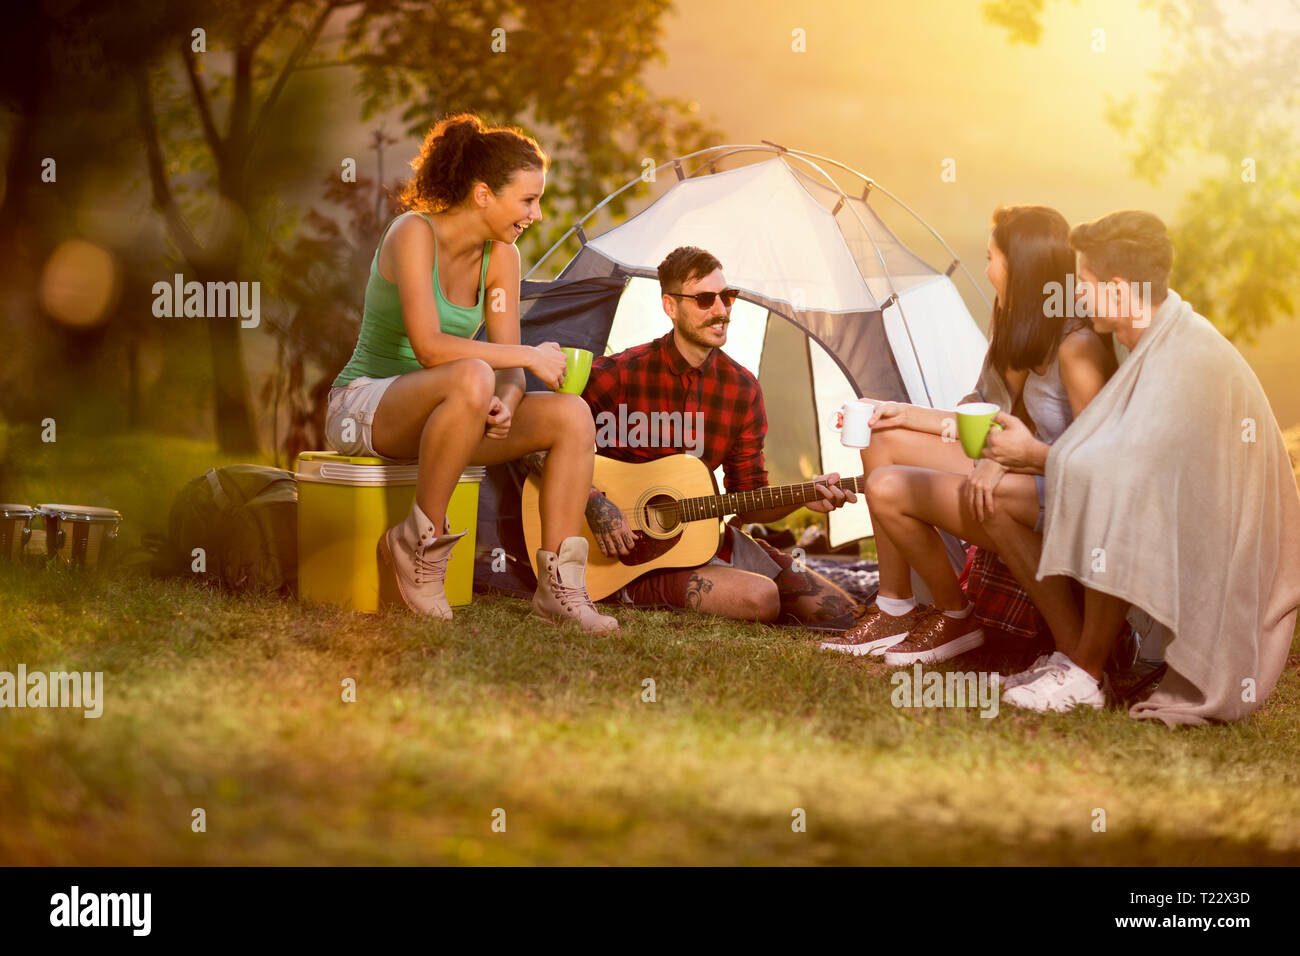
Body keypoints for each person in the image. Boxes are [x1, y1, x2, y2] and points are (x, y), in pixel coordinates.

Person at [984, 211, 1300, 720]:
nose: (1078, 297)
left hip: (1231, 550)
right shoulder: (1153, 337)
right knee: (1044, 494)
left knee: (1116, 494)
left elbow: (1130, 471)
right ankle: (1075, 657)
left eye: (1084, 283)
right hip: (1193, 511)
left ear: (1115, 288)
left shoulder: (1185, 355)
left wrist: (1032, 456)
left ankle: (1086, 674)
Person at [325, 113, 617, 632]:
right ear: (483, 194)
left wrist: (509, 399)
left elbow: (506, 367)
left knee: (571, 413)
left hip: (449, 415)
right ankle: (416, 545)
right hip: (366, 406)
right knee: (471, 374)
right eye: (527, 200)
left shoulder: (501, 256)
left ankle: (561, 589)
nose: (536, 212)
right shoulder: (413, 233)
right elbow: (431, 348)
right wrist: (523, 360)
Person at [819, 205, 1118, 665]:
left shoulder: (1076, 346)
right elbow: (984, 418)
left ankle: (960, 618)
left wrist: (1003, 460)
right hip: (1020, 471)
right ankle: (900, 606)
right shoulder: (1020, 322)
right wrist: (897, 412)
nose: (987, 268)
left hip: (1060, 491)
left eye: (991, 257)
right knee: (883, 436)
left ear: (1021, 266)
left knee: (890, 484)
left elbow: (1099, 457)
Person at [527, 245, 862, 625]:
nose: (721, 310)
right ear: (671, 306)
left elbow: (747, 499)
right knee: (761, 598)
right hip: (615, 554)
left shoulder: (742, 389)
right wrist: (592, 500)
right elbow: (536, 440)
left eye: (727, 297)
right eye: (705, 299)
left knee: (839, 612)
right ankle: (624, 587)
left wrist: (806, 495)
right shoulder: (620, 373)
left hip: (699, 539)